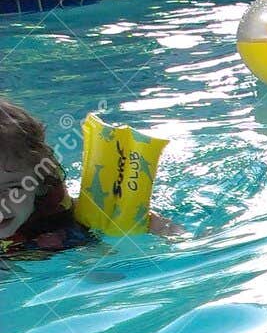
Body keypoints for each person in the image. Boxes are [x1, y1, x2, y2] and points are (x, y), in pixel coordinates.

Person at [0, 97, 173, 257]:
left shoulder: (71, 216)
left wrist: (175, 235)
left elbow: (156, 226)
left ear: (41, 184)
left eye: (14, 188)